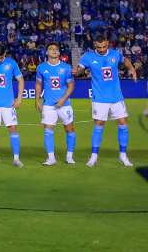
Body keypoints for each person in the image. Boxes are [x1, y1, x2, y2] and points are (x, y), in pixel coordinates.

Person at [76, 32, 138, 167]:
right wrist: (77, 72)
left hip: (116, 97)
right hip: (99, 98)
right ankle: (94, 157)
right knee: (98, 125)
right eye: (99, 47)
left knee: (123, 124)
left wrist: (132, 69)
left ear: (107, 44)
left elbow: (125, 61)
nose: (102, 49)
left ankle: (123, 155)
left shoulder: (115, 54)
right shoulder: (88, 57)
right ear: (95, 46)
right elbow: (79, 69)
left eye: (104, 47)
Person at [34, 43, 76, 166]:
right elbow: (38, 84)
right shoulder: (41, 68)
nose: (53, 51)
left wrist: (63, 99)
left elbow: (71, 85)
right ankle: (51, 158)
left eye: (56, 49)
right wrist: (37, 99)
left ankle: (69, 157)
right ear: (46, 52)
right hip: (48, 104)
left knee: (70, 129)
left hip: (65, 104)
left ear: (59, 53)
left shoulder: (66, 67)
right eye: (51, 49)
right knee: (48, 131)